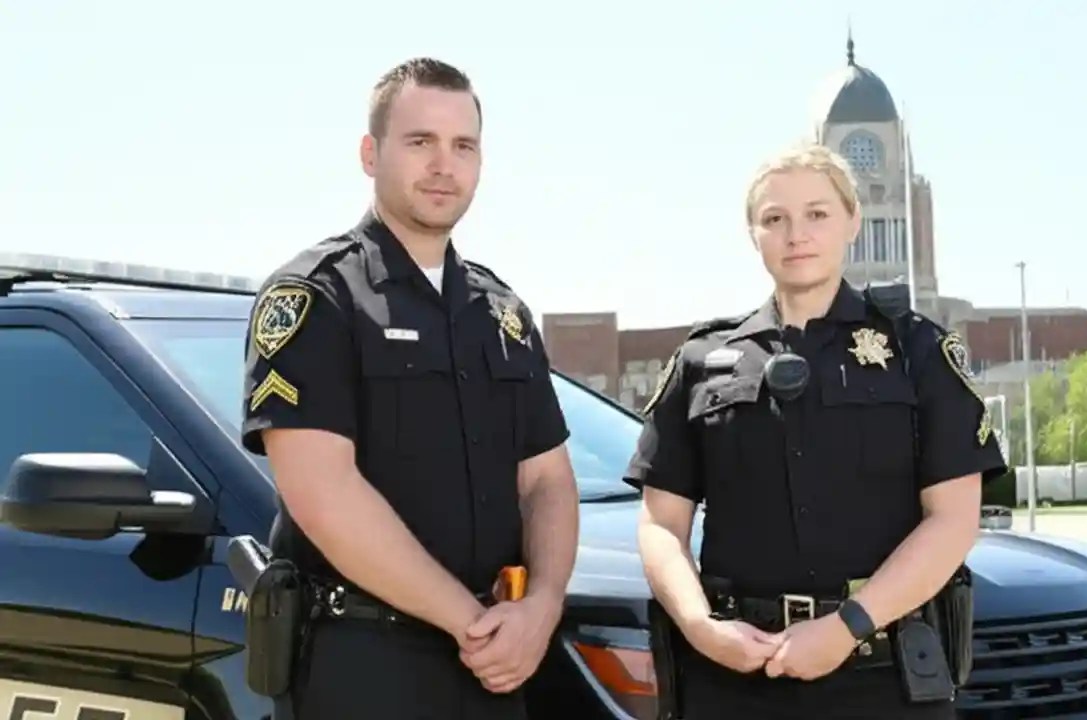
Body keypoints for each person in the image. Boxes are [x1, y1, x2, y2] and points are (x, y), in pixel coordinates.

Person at [240, 57, 580, 719]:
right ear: (371, 154)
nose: (443, 165)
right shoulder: (317, 296)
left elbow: (547, 480)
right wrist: (470, 622)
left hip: (496, 669)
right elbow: (322, 492)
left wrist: (542, 606)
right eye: (420, 142)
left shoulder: (501, 311)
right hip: (365, 664)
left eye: (464, 146)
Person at [627, 143, 1008, 720]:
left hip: (879, 676)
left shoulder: (916, 351)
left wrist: (847, 626)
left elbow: (954, 519)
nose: (795, 233)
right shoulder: (704, 360)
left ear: (852, 220)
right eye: (774, 218)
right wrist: (700, 626)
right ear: (752, 233)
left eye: (817, 214)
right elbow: (660, 522)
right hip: (733, 678)